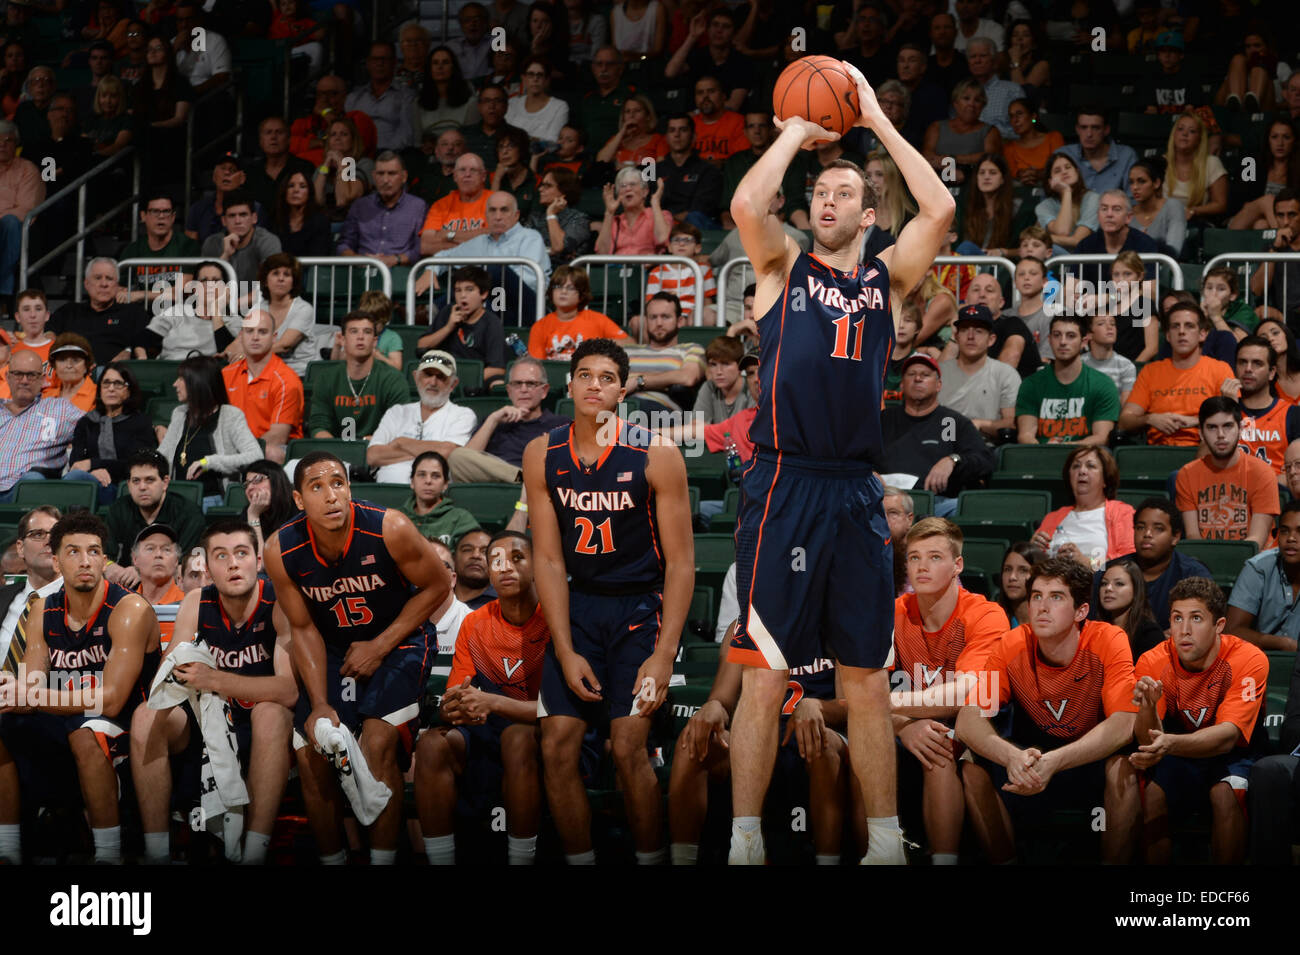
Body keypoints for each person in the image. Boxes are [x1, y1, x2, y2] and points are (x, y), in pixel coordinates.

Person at [722, 59, 954, 866]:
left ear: (868, 211)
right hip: (784, 480)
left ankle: (886, 844)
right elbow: (749, 201)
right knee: (761, 673)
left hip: (855, 489)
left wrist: (874, 120)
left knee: (864, 677)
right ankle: (745, 842)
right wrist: (796, 131)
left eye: (845, 191)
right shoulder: (779, 267)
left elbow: (943, 205)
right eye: (820, 191)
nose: (827, 199)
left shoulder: (888, 281)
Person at [522, 338, 692, 866]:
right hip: (578, 608)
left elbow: (683, 564)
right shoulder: (541, 452)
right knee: (554, 748)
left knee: (627, 749)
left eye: (606, 377)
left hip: (641, 610)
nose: (594, 384)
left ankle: (650, 857)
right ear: (568, 384)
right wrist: (566, 648)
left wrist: (664, 654)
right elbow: (548, 561)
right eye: (584, 375)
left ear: (622, 390)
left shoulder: (656, 452)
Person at [265, 451, 450, 865]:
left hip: (401, 641)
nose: (331, 496)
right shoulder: (280, 549)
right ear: (298, 500)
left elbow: (438, 586)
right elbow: (304, 628)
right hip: (333, 647)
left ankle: (382, 859)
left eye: (338, 483)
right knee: (311, 751)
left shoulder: (390, 527)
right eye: (317, 486)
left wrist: (380, 646)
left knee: (377, 740)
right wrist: (320, 704)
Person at [130, 517, 296, 865]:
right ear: (206, 566)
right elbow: (171, 675)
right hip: (206, 719)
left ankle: (254, 852)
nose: (233, 563)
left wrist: (216, 679)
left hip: (260, 721)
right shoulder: (195, 603)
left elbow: (289, 689)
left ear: (258, 560)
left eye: (241, 553)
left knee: (271, 713)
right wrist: (192, 674)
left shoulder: (279, 602)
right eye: (221, 556)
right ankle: (157, 852)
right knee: (146, 715)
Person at [955, 556, 1139, 864]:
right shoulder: (1011, 643)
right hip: (1029, 759)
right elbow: (968, 719)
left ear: (1081, 610)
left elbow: (1123, 724)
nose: (1042, 606)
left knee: (1123, 767)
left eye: (1056, 597)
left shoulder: (1108, 639)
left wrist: (1054, 762)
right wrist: (1010, 756)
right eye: (1037, 596)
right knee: (971, 762)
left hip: (1086, 761)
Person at [0, 512, 160, 865]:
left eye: (94, 551)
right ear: (56, 561)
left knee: (87, 733)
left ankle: (108, 853)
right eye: (73, 551)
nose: (86, 560)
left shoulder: (128, 608)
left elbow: (115, 698)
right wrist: (12, 691)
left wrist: (32, 695)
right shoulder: (43, 608)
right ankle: (8, 849)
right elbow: (33, 678)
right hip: (67, 709)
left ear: (104, 558)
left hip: (130, 718)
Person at [415, 530, 549, 865]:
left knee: (518, 738)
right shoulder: (474, 624)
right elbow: (455, 700)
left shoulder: (555, 619)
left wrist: (493, 703)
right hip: (487, 730)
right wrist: (453, 706)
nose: (506, 568)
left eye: (517, 558)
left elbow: (561, 711)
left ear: (537, 566)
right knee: (431, 744)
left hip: (544, 733)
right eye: (497, 561)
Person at [890, 517, 1007, 865]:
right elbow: (863, 687)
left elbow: (966, 693)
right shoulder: (892, 613)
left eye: (935, 557)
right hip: (911, 722)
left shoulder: (986, 614)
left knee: (940, 747)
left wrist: (886, 705)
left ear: (958, 565)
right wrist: (902, 724)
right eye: (914, 557)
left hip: (980, 722)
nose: (922, 566)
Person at [1132, 577, 1269, 865]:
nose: (1184, 630)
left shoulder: (1248, 659)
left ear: (1219, 626)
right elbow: (1147, 741)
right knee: (1153, 792)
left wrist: (1167, 743)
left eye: (1196, 618)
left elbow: (1227, 737)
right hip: (1178, 752)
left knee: (1225, 792)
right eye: (1177, 618)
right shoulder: (1153, 660)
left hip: (1234, 754)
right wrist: (1146, 707)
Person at [882, 354, 993, 517]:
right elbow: (857, 455)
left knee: (962, 508)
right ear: (902, 384)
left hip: (935, 504)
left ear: (938, 385)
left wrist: (953, 460)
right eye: (911, 374)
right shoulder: (883, 420)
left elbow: (984, 460)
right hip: (884, 501)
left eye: (925, 375)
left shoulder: (951, 422)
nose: (918, 378)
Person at [1120, 303, 1235, 447]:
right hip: (1158, 451)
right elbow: (1125, 421)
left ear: (1202, 334)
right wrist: (1149, 419)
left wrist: (1196, 421)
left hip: (1205, 449)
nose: (1181, 331)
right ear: (1168, 335)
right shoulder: (1151, 372)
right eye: (1175, 326)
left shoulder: (1220, 370)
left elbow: (1234, 418)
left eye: (1189, 326)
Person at [1175, 396, 1280, 551]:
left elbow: (1256, 541)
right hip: (1206, 563)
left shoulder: (1262, 473)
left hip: (1254, 564)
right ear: (1201, 434)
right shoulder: (1187, 474)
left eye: (1228, 426)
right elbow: (1193, 538)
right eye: (1212, 427)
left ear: (1241, 429)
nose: (1221, 435)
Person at [158, 355, 261, 509]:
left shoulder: (230, 415)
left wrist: (209, 462)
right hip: (175, 497)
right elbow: (162, 455)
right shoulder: (179, 413)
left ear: (197, 382)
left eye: (181, 379)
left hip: (210, 499)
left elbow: (255, 456)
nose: (175, 384)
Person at [447, 356, 569, 484]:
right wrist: (493, 420)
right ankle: (522, 478)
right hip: (498, 486)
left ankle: (525, 478)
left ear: (544, 391)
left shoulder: (561, 425)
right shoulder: (494, 422)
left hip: (540, 487)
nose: (523, 390)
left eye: (531, 384)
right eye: (517, 384)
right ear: (509, 391)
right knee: (456, 455)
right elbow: (464, 461)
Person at [366, 350, 477, 485]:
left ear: (453, 384)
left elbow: (448, 453)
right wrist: (433, 451)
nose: (433, 382)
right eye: (427, 375)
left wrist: (401, 443)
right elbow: (373, 456)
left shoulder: (463, 415)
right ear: (416, 377)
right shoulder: (396, 412)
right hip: (388, 493)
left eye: (441, 377)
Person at [1013, 314, 1120, 447]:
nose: (1063, 342)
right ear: (1050, 340)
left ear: (1084, 342)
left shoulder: (1102, 384)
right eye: (1057, 335)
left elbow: (1101, 438)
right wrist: (1045, 451)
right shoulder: (1031, 385)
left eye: (1071, 336)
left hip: (1085, 457)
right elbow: (1025, 435)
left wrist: (1065, 448)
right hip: (1042, 456)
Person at [431, 191, 552, 308]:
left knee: (494, 270)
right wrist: (431, 270)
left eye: (504, 210)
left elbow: (530, 281)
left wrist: (481, 284)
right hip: (488, 304)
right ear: (486, 215)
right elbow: (445, 255)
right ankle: (432, 312)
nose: (498, 217)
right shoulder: (479, 242)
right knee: (469, 285)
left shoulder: (530, 237)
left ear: (516, 215)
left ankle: (435, 309)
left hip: (522, 306)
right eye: (492, 211)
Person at [306, 311, 409, 442]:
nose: (360, 337)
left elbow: (399, 427)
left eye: (367, 332)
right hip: (334, 452)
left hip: (379, 451)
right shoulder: (326, 378)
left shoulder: (393, 379)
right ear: (343, 340)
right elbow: (318, 425)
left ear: (374, 341)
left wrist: (364, 444)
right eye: (354, 331)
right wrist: (335, 449)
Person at [1030, 446, 1135, 570]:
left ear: (1105, 480)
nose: (1082, 471)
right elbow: (1035, 565)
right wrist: (1032, 551)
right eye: (1076, 466)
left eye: (1091, 466)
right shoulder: (1053, 517)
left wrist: (1085, 562)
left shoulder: (1123, 513)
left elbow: (1128, 563)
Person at [222, 309, 304, 465]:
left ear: (274, 338)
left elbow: (277, 436)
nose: (255, 337)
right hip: (233, 449)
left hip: (271, 450)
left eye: (262, 332)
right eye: (249, 331)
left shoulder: (286, 380)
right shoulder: (225, 375)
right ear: (241, 336)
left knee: (272, 452)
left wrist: (239, 452)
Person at [0, 349, 82, 504]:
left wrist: (95, 464)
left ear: (42, 379)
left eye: (31, 375)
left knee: (32, 480)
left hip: (22, 491)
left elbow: (96, 429)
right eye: (18, 374)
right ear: (7, 377)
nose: (24, 380)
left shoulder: (59, 409)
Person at [66, 362, 154, 504]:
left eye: (118, 383)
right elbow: (76, 463)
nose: (111, 388)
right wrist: (92, 473)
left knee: (75, 479)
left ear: (129, 390)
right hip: (91, 483)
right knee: (75, 478)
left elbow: (138, 465)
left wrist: (93, 464)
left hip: (125, 488)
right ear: (100, 388)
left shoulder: (140, 422)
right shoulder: (87, 422)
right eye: (106, 383)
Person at [938, 303, 1020, 444]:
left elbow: (1010, 423)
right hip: (941, 445)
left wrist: (979, 424)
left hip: (986, 448)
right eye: (964, 330)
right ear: (956, 337)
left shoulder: (1005, 374)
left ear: (991, 339)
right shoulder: (939, 373)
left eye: (978, 331)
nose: (970, 336)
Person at [1225, 501, 1300, 653]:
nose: (1291, 538)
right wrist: (1280, 643)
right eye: (1284, 531)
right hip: (1260, 658)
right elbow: (1232, 630)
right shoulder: (1258, 567)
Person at [1228, 335, 1300, 483]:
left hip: (1277, 495)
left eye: (1257, 363)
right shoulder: (1223, 409)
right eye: (1242, 362)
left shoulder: (1292, 415)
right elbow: (1204, 464)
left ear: (1272, 372)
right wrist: (1228, 410)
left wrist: (1259, 485)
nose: (1248, 369)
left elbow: (1298, 475)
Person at [336, 151, 427, 269]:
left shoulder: (418, 206)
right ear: (373, 176)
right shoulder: (360, 206)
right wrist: (359, 259)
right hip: (362, 275)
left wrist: (395, 259)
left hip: (401, 274)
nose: (385, 180)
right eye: (380, 173)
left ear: (404, 177)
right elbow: (344, 244)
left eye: (391, 173)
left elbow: (421, 248)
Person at [49, 258, 149, 364]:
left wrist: (129, 352)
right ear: (86, 284)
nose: (104, 284)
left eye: (109, 279)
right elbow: (47, 334)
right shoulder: (68, 311)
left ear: (117, 285)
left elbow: (143, 349)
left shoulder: (133, 313)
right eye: (98, 278)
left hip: (115, 374)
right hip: (73, 374)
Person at [624, 293, 707, 413]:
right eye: (653, 317)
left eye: (665, 317)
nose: (659, 323)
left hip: (660, 412)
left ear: (680, 321)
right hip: (621, 406)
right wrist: (667, 379)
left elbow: (688, 377)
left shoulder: (691, 349)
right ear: (646, 321)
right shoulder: (629, 351)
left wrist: (638, 381)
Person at [528, 266, 628, 360]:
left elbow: (629, 343)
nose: (563, 291)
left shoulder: (598, 320)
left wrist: (598, 346)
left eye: (570, 288)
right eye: (558, 286)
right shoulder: (540, 326)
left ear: (581, 294)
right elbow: (537, 365)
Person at [666, 9, 754, 113]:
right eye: (715, 25)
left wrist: (699, 111)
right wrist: (692, 36)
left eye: (726, 26)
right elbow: (670, 72)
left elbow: (733, 105)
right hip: (696, 122)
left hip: (726, 120)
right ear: (707, 29)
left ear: (734, 33)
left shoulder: (742, 62)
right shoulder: (698, 55)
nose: (719, 30)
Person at [118, 190, 200, 299]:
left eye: (166, 211)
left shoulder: (187, 245)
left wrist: (141, 295)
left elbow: (181, 292)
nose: (161, 216)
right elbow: (119, 289)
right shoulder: (132, 250)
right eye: (155, 211)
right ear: (143, 216)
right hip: (141, 313)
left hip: (179, 313)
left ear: (173, 216)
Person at [954, 153, 1033, 258]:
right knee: (966, 247)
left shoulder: (1017, 208)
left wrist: (1003, 252)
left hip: (1001, 266)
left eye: (993, 173)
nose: (986, 177)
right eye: (982, 173)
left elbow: (1030, 249)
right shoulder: (967, 206)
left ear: (1002, 179)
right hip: (972, 263)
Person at [922, 79, 999, 184]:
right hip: (939, 183)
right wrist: (951, 168)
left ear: (982, 106)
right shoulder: (937, 127)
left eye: (977, 100)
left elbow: (989, 157)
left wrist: (951, 159)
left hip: (975, 184)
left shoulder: (990, 131)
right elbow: (927, 156)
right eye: (966, 98)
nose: (971, 104)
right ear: (955, 103)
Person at [198, 191, 283, 286]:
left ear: (254, 218)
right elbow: (206, 286)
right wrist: (225, 255)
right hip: (221, 299)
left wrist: (237, 301)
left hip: (258, 300)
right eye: (232, 216)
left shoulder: (268, 241)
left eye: (243, 215)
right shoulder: (212, 243)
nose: (237, 221)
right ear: (224, 221)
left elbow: (272, 285)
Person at [1230, 118, 1300, 230]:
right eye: (1274, 137)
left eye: (1286, 137)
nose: (1280, 143)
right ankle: (1283, 235)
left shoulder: (1297, 170)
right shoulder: (1251, 164)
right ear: (1268, 140)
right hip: (1242, 222)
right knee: (1267, 200)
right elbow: (1241, 203)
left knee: (1261, 225)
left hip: (1280, 223)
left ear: (1294, 141)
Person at [657, 115, 724, 232]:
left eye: (683, 130)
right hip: (660, 227)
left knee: (694, 217)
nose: (677, 135)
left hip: (694, 229)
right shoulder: (654, 170)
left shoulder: (708, 170)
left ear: (693, 137)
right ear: (666, 137)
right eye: (672, 130)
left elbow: (700, 211)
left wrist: (667, 217)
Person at [346, 41, 414, 152]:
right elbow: (346, 131)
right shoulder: (353, 98)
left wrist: (385, 155)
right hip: (358, 156)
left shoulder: (406, 96)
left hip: (393, 157)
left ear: (394, 63)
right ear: (368, 63)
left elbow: (406, 133)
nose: (380, 63)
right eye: (375, 59)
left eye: (384, 59)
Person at [402, 450, 480, 546]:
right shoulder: (396, 518)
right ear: (412, 482)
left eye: (435, 476)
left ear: (445, 484)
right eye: (422, 475)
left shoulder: (460, 519)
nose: (428, 481)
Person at [419, 152, 490, 256]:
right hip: (446, 269)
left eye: (473, 170)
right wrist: (477, 238)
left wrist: (447, 235)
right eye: (462, 170)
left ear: (483, 176)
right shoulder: (440, 205)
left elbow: (494, 239)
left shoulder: (496, 201)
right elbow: (425, 247)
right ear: (455, 176)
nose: (467, 174)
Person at [1163, 112, 1228, 225]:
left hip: (1196, 222)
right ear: (1173, 135)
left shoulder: (1211, 163)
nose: (1185, 134)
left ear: (1199, 139)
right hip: (1164, 220)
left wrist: (1193, 211)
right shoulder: (1161, 162)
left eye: (1192, 131)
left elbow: (1220, 204)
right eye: (1180, 129)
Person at [594, 165, 673, 256]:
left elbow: (662, 239)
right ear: (618, 194)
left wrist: (655, 203)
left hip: (648, 269)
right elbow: (602, 253)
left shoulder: (661, 215)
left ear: (645, 191)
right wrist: (609, 213)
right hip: (619, 268)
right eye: (623, 186)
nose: (628, 189)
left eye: (633, 184)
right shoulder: (614, 222)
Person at [1096, 559, 1164, 658]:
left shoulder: (1150, 634)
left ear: (1136, 590)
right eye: (1104, 583)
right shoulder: (1094, 630)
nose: (1108, 588)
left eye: (1119, 584)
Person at [1250, 190, 1300, 324]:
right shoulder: (1271, 249)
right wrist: (1276, 249)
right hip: (1283, 321)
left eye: (1292, 215)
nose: (1285, 222)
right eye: (1280, 215)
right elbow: (1257, 290)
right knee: (1260, 312)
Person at [526, 167, 593, 267]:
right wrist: (550, 251)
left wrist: (551, 214)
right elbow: (524, 249)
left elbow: (558, 247)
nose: (540, 189)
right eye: (542, 185)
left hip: (565, 277)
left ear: (564, 190)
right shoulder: (534, 218)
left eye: (547, 186)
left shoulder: (579, 219)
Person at [1036, 152, 1098, 254]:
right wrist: (1066, 192)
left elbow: (1078, 240)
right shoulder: (1044, 206)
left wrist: (1044, 238)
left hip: (1085, 260)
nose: (1064, 172)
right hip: (1057, 261)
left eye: (1068, 167)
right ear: (1050, 181)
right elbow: (1062, 231)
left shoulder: (1092, 199)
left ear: (1077, 172)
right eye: (1057, 170)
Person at [1127, 157, 1186, 258]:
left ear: (1156, 183)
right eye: (1131, 182)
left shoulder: (1172, 207)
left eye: (1141, 181)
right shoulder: (1127, 213)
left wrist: (1143, 242)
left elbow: (1174, 251)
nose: (1135, 187)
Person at [415, 45, 478, 136]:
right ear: (429, 69)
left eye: (445, 62)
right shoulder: (418, 104)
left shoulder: (470, 104)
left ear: (453, 67)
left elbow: (472, 139)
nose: (440, 67)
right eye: (435, 63)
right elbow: (417, 140)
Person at [269, 169, 332, 257]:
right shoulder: (276, 219)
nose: (296, 190)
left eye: (302, 186)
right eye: (291, 186)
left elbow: (319, 255)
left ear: (309, 192)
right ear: (284, 191)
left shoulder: (320, 221)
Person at [694, 336, 754, 425]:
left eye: (726, 364)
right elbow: (696, 427)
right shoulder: (709, 387)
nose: (719, 371)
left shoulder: (752, 388)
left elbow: (750, 431)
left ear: (740, 366)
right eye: (713, 364)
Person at [690, 75, 747, 166]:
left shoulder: (739, 122)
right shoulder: (688, 124)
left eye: (711, 91)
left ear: (723, 96)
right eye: (700, 93)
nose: (705, 96)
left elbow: (741, 161)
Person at [130, 522, 185, 613]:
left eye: (166, 549)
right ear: (135, 559)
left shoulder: (188, 605)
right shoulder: (124, 605)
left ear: (176, 560)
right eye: (150, 548)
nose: (158, 554)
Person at [1082, 314, 1137, 404]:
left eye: (1113, 324)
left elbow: (1126, 408)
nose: (1109, 327)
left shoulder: (1126, 366)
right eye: (1101, 324)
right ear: (1089, 335)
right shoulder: (1079, 364)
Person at [997, 541, 1045, 628]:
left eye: (1023, 570)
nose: (1012, 577)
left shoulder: (1047, 623)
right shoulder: (992, 618)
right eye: (1007, 569)